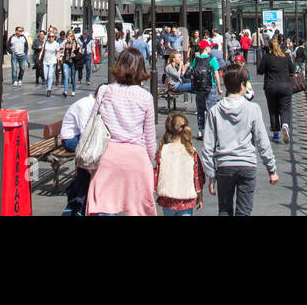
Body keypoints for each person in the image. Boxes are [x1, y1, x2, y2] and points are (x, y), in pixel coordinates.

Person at [86, 48, 156, 217]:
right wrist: (150, 161)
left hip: (108, 155)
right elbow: (149, 136)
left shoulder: (105, 91)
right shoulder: (145, 97)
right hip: (136, 158)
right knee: (138, 209)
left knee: (103, 206)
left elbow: (91, 123)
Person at [201, 63, 278, 217]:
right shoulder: (252, 109)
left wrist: (211, 174)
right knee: (244, 211)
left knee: (224, 210)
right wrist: (271, 168)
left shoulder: (215, 110)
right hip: (246, 164)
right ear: (243, 85)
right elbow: (262, 141)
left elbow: (208, 146)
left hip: (224, 165)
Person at [155, 111, 204, 216]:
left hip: (168, 198)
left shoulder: (163, 150)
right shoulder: (191, 151)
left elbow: (156, 173)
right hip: (186, 199)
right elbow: (197, 176)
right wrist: (200, 195)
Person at [60, 91, 97, 215]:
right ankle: (81, 195)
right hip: (70, 139)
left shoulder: (92, 104)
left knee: (92, 155)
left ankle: (81, 193)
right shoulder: (86, 105)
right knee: (89, 154)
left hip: (79, 137)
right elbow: (85, 132)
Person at [258, 35, 295, 144]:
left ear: (269, 47)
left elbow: (260, 70)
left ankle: (275, 134)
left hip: (271, 86)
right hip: (285, 85)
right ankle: (285, 124)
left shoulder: (267, 57)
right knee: (285, 108)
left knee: (273, 109)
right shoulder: (286, 56)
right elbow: (292, 70)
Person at [184, 41, 221, 136]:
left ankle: (201, 130)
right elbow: (216, 74)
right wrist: (219, 88)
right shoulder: (212, 59)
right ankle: (210, 130)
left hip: (199, 87)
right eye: (209, 47)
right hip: (210, 86)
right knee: (211, 109)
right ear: (206, 48)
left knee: (200, 109)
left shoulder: (196, 59)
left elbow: (192, 71)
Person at [40, 28, 60, 97]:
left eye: (52, 37)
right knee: (45, 76)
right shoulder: (45, 43)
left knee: (50, 75)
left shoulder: (56, 44)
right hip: (45, 61)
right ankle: (48, 84)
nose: (51, 38)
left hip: (52, 61)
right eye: (50, 36)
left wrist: (58, 63)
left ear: (54, 37)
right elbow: (42, 50)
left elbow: (57, 53)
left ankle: (49, 89)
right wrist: (39, 58)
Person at [61, 31, 81, 97]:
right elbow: (63, 52)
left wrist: (75, 54)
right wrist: (61, 57)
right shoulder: (65, 44)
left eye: (69, 37)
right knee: (66, 76)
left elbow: (80, 53)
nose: (68, 39)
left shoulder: (76, 44)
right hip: (66, 61)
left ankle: (73, 91)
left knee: (73, 77)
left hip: (73, 62)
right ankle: (65, 91)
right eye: (67, 37)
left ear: (72, 37)